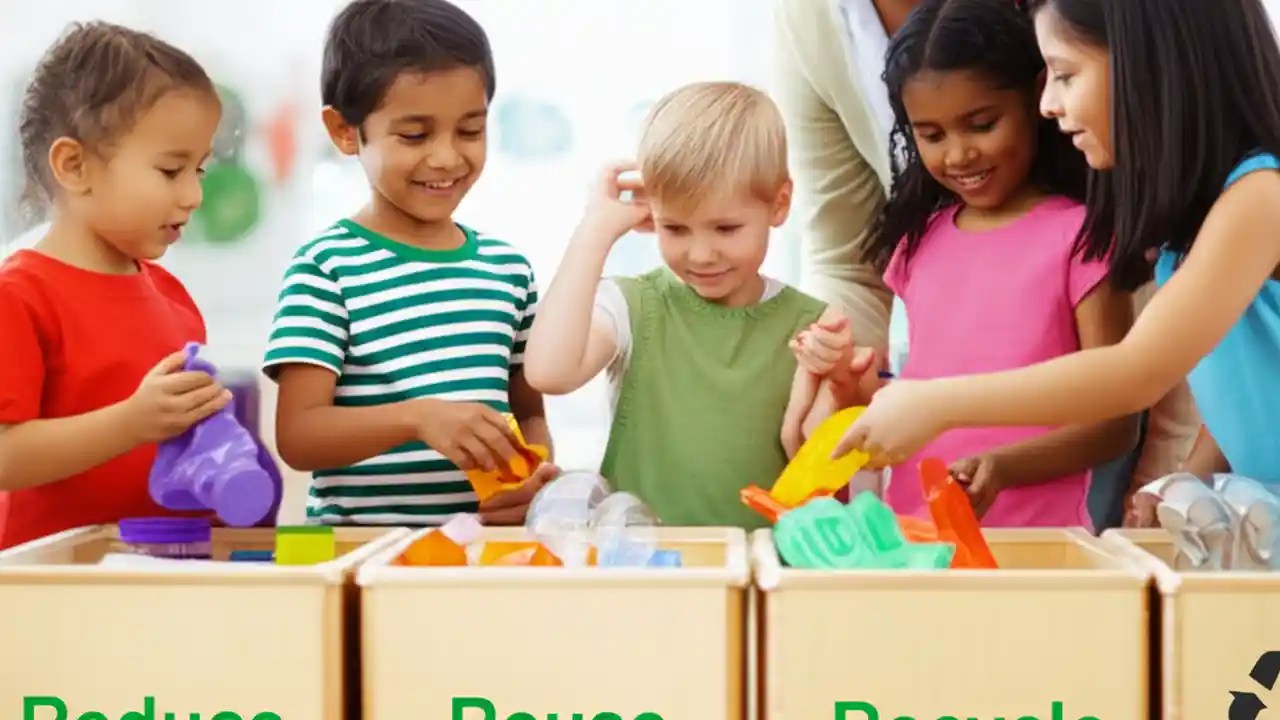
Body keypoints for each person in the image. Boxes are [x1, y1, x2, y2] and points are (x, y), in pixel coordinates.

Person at [834, 0, 1280, 515]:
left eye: (1065, 76)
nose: (1046, 104)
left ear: (1151, 63)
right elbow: (1250, 384)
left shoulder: (1261, 196)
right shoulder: (1200, 223)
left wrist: (936, 403)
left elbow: (1135, 373)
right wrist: (1189, 484)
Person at [792, 0, 1136, 528]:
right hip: (916, 541)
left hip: (1036, 548)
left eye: (981, 124)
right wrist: (847, 383)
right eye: (932, 135)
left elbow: (1115, 422)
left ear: (1036, 95)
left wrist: (1004, 467)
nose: (957, 155)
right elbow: (915, 392)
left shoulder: (1083, 238)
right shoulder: (918, 242)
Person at [522, 82, 870, 529]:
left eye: (725, 228)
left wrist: (840, 380)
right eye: (675, 228)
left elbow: (829, 461)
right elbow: (549, 373)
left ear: (779, 204)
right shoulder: (632, 305)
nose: (701, 254)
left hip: (763, 561)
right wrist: (596, 229)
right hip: (644, 560)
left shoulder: (816, 324)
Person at [262, 0, 555, 527]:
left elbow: (528, 413)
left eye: (470, 130)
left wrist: (534, 477)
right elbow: (298, 437)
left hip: (485, 553)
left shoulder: (510, 271)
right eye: (415, 135)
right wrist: (417, 418)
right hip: (362, 554)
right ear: (344, 131)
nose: (447, 157)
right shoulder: (326, 269)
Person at [0, 23, 229, 550]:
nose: (193, 195)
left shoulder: (173, 297)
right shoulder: (20, 296)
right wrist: (133, 422)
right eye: (171, 170)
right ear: (74, 166)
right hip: (56, 585)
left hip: (165, 571)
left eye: (199, 170)